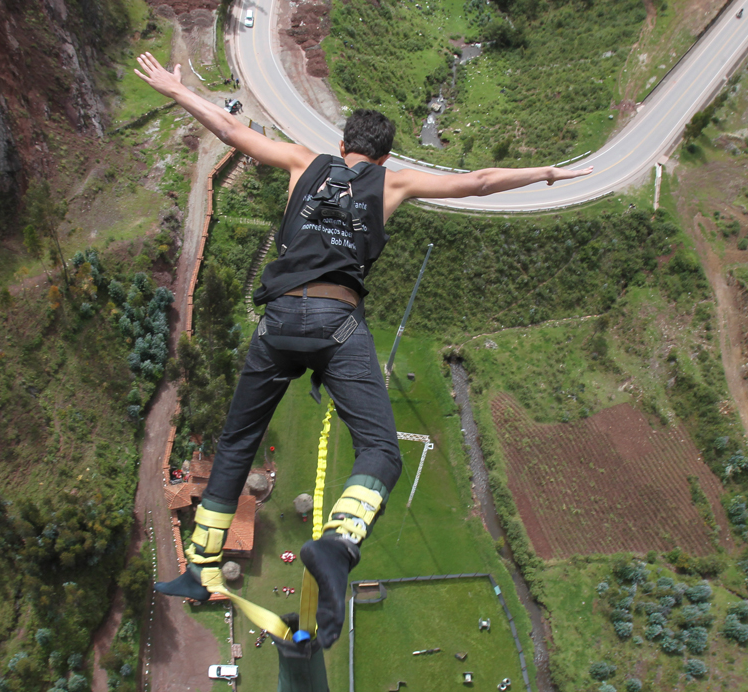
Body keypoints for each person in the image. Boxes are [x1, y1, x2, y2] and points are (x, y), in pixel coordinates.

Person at [135, 51, 593, 648]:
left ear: (344, 143)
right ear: (383, 157)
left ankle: (199, 566)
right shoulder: (394, 182)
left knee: (237, 442)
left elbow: (230, 130)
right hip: (336, 321)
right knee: (379, 448)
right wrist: (550, 173)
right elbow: (479, 183)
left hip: (279, 320)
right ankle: (338, 542)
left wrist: (177, 89)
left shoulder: (304, 161)